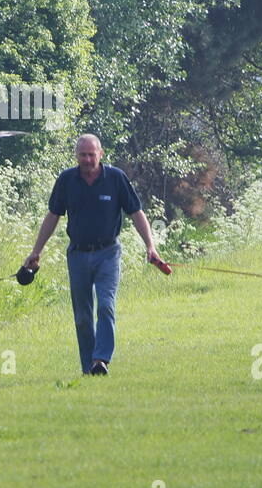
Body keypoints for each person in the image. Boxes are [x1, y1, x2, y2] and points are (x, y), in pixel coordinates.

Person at [22, 134, 162, 375]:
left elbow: (136, 213)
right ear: (76, 155)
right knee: (83, 316)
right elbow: (53, 215)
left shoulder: (116, 178)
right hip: (77, 255)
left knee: (106, 305)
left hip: (108, 253)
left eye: (91, 154)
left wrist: (150, 246)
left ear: (101, 154)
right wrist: (37, 251)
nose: (87, 159)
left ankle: (101, 360)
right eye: (82, 155)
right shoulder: (67, 180)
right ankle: (89, 367)